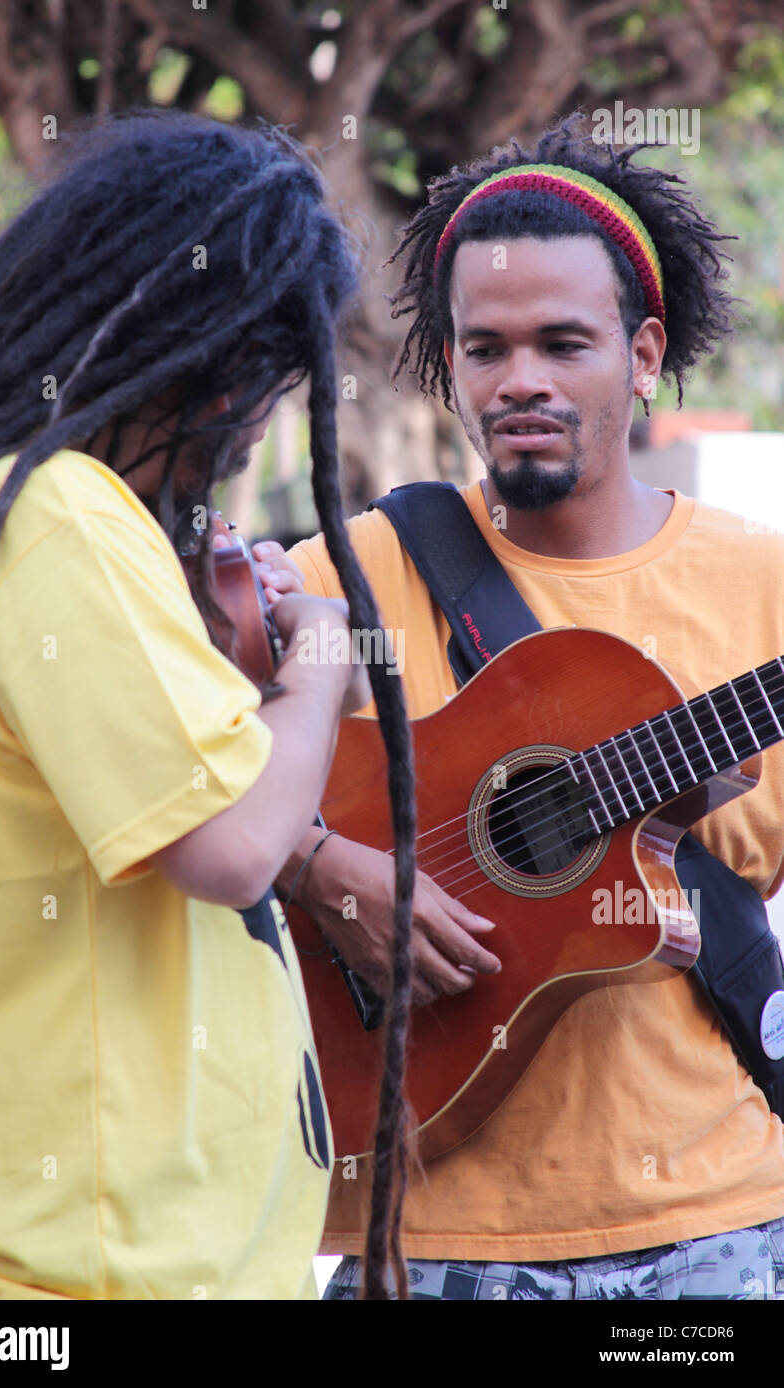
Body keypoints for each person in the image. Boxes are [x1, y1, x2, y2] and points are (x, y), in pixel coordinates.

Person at [270, 115, 784, 1299]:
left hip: (713, 1231)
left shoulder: (762, 587)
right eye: (484, 349)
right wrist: (325, 869)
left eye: (562, 343)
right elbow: (176, 768)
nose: (521, 383)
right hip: (432, 1236)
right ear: (446, 363)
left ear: (643, 351)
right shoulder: (346, 573)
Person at [0, 110, 416, 1300]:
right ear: (202, 356)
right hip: (90, 1275)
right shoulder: (59, 513)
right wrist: (319, 652)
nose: (247, 436)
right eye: (256, 384)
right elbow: (233, 841)